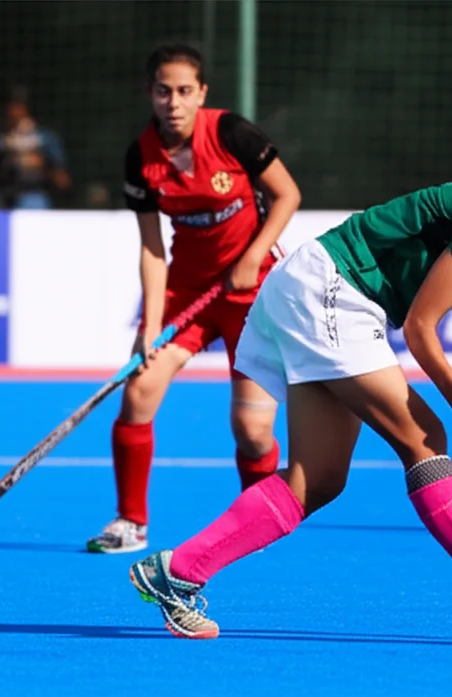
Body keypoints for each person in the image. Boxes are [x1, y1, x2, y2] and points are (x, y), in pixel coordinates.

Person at [127, 133, 452, 644]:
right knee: (425, 439)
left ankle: (178, 572)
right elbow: (419, 327)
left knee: (317, 480)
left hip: (335, 300)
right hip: (333, 283)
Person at [86, 44, 302, 553]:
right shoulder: (140, 157)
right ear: (150, 94)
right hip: (190, 292)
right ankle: (130, 522)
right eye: (164, 91)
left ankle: (257, 518)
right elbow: (152, 249)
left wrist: (253, 257)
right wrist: (150, 323)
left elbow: (287, 194)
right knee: (138, 390)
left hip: (253, 295)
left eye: (185, 91)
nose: (174, 102)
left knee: (251, 430)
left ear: (201, 93)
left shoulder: (232, 133)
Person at [0, 85, 71, 210]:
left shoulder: (44, 138)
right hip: (0, 196)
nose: (13, 112)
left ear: (26, 109)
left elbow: (63, 181)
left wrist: (42, 165)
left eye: (18, 107)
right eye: (10, 107)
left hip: (33, 196)